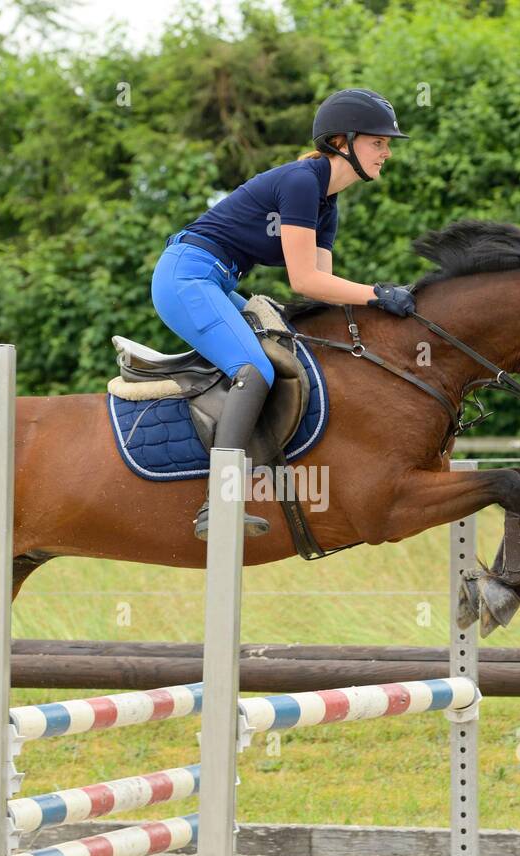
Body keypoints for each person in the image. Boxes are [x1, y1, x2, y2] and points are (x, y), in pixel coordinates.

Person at [151, 88, 417, 540]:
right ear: (342, 142)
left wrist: (382, 305)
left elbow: (326, 289)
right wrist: (376, 293)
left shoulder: (326, 205)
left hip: (212, 280)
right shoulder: (301, 182)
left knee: (286, 350)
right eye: (379, 142)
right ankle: (219, 502)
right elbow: (304, 281)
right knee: (253, 369)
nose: (388, 152)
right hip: (186, 277)